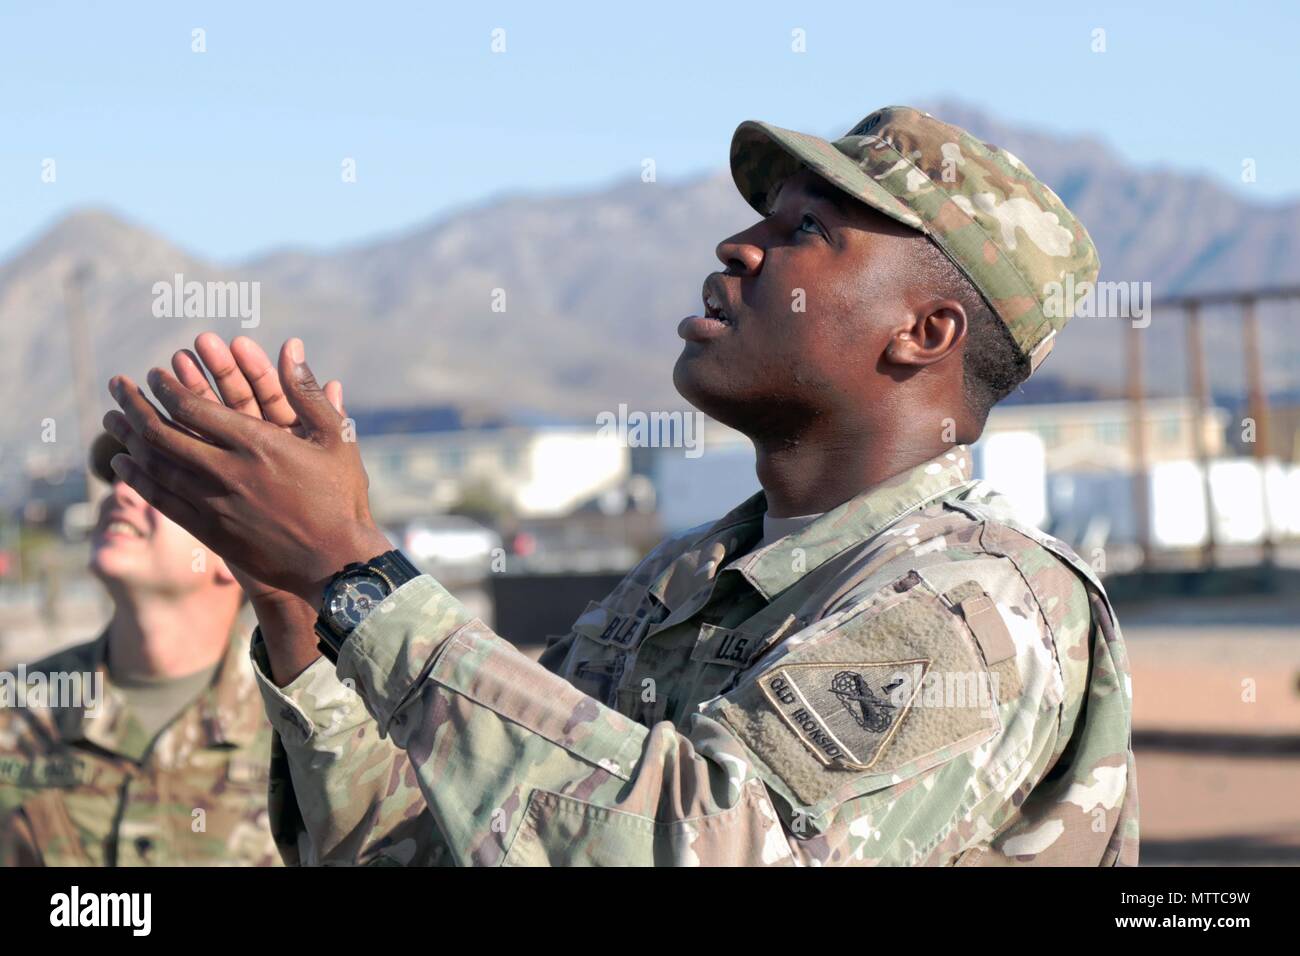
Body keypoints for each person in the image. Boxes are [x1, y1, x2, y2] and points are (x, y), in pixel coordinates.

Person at [103, 106, 1139, 866]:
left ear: (924, 332)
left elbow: (710, 848)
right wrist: (294, 592)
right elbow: (426, 840)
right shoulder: (677, 584)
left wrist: (356, 570)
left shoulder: (980, 604)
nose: (738, 244)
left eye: (804, 232)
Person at [0, 429, 282, 866]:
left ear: (237, 553)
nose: (120, 493)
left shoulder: (305, 731)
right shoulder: (15, 710)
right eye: (119, 476)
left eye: (158, 482)